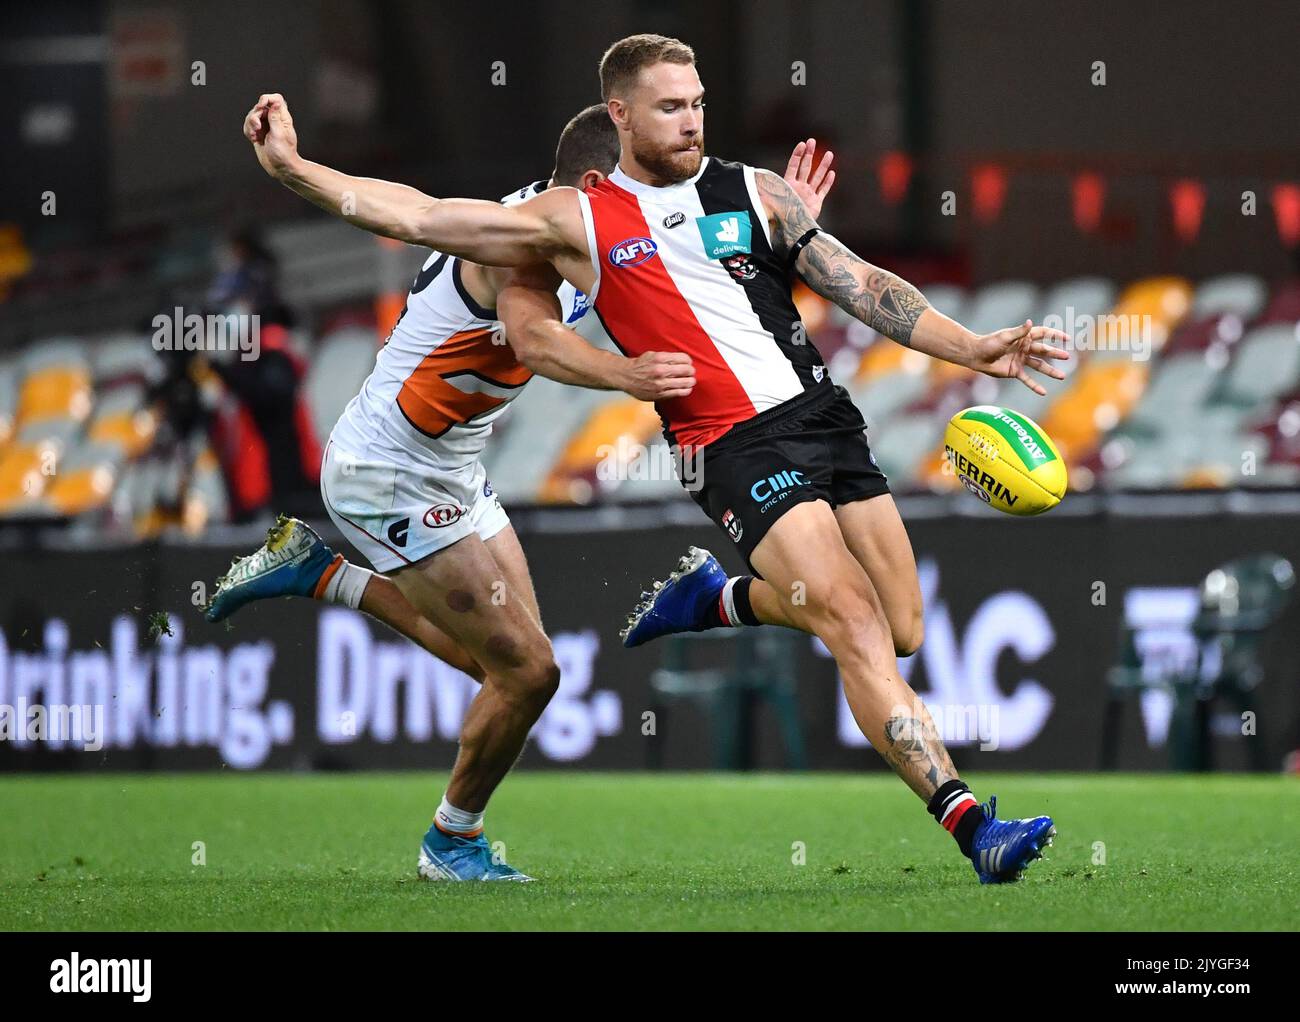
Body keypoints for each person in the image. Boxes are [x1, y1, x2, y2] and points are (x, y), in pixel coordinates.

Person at [239, 29, 1069, 883]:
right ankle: (974, 829)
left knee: (900, 626)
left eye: (700, 103)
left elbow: (860, 283)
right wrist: (297, 170)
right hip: (732, 445)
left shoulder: (756, 190)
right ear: (622, 116)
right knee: (850, 619)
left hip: (825, 418)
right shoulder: (573, 219)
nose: (692, 121)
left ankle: (719, 599)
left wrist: (972, 348)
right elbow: (419, 214)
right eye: (671, 107)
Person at [210, 100, 835, 882]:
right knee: (530, 673)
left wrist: (792, 231)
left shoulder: (590, 229)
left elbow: (711, 280)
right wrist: (295, 169)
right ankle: (452, 841)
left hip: (455, 466)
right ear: (604, 179)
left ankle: (322, 574)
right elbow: (430, 228)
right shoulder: (518, 241)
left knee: (505, 673)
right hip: (389, 471)